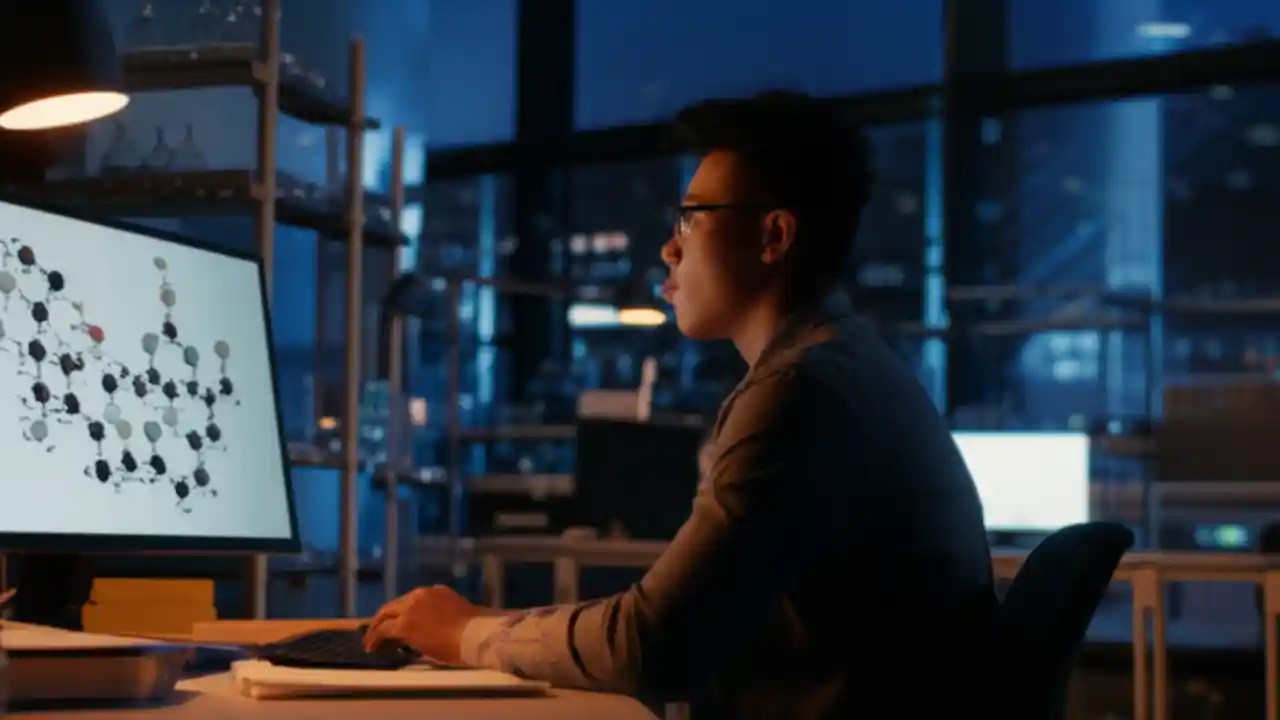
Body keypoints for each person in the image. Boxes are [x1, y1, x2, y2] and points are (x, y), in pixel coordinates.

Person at [364, 90, 997, 719]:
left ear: (774, 235)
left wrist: (467, 636)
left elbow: (655, 645)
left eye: (692, 218)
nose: (671, 248)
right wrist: (494, 626)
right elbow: (682, 619)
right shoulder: (846, 365)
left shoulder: (803, 392)